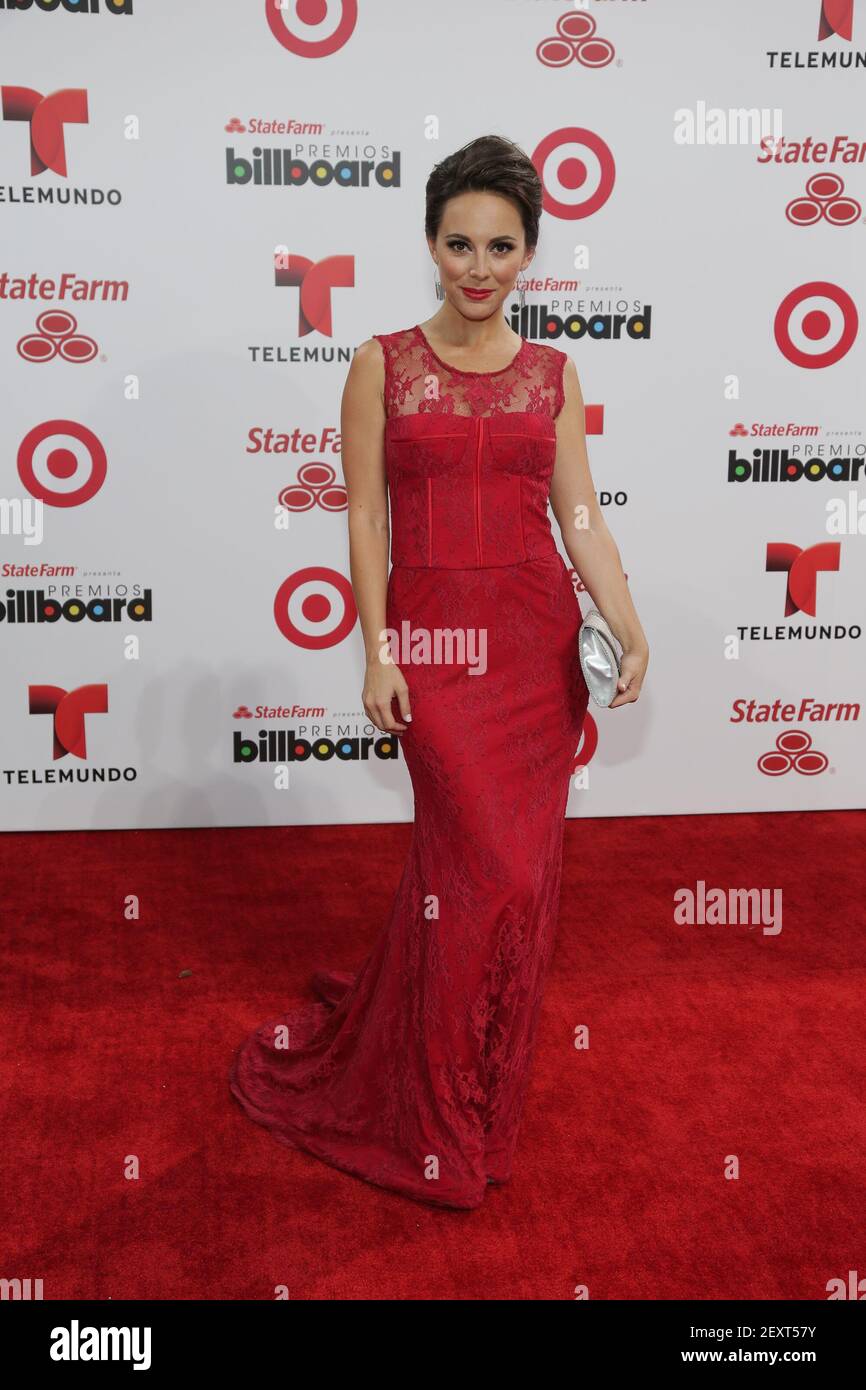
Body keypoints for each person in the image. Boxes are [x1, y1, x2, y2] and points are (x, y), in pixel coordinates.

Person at [230, 133, 649, 1209]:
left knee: (501, 881)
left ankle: (475, 1088)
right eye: (458, 243)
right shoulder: (378, 361)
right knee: (481, 871)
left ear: (529, 253)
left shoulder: (553, 374)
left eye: (500, 246)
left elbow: (579, 516)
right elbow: (363, 515)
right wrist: (374, 646)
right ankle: (428, 1105)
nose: (478, 265)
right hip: (431, 644)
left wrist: (626, 619)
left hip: (531, 641)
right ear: (428, 243)